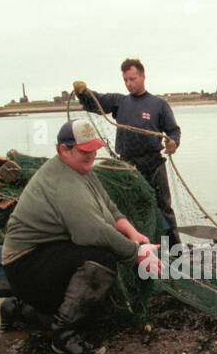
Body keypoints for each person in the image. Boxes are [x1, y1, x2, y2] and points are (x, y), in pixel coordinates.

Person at [0, 118, 162, 354]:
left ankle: (13, 307)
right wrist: (136, 254)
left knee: (94, 309)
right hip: (25, 265)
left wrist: (132, 232)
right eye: (85, 151)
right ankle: (63, 336)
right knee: (101, 259)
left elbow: (109, 208)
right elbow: (92, 232)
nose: (92, 155)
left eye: (94, 148)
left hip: (47, 256)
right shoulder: (62, 181)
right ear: (64, 149)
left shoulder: (83, 170)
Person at [73, 59, 183, 244]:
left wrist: (173, 143)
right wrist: (84, 93)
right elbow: (96, 102)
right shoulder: (120, 102)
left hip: (153, 164)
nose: (129, 84)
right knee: (130, 207)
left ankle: (174, 250)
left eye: (132, 79)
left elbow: (173, 130)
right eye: (125, 80)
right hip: (126, 166)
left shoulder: (159, 104)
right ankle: (139, 246)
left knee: (163, 207)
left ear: (143, 76)